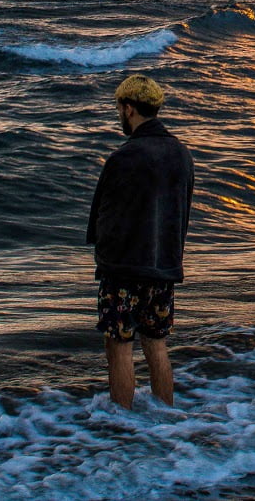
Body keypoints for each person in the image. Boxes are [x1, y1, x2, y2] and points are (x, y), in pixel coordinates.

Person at [85, 74, 195, 409]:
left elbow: (102, 217)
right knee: (157, 345)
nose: (119, 115)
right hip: (163, 267)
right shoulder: (182, 154)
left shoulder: (124, 157)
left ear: (129, 108)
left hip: (123, 269)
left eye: (119, 108)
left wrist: (103, 258)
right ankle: (165, 420)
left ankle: (122, 425)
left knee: (119, 348)